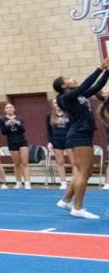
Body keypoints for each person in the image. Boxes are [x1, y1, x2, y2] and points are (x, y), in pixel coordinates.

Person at [54, 59, 109, 218]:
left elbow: (96, 87)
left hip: (82, 134)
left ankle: (65, 201)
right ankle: (77, 208)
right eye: (69, 79)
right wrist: (100, 68)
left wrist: (107, 71)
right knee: (85, 172)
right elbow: (85, 85)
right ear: (64, 86)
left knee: (81, 172)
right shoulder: (66, 97)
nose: (73, 79)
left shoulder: (79, 95)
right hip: (79, 135)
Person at [0, 103, 30, 189]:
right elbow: (3, 132)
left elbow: (23, 130)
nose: (9, 109)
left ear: (14, 109)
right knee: (17, 163)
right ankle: (18, 182)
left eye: (11, 107)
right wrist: (9, 123)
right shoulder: (2, 120)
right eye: (7, 107)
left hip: (22, 141)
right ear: (5, 110)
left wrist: (16, 123)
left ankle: (27, 182)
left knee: (25, 162)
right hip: (12, 142)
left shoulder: (19, 118)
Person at [47, 98, 71, 189]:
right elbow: (48, 130)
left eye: (58, 102)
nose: (56, 104)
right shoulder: (49, 115)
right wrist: (49, 141)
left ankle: (75, 180)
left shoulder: (68, 113)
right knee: (60, 162)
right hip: (56, 140)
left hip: (68, 139)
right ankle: (63, 182)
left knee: (73, 161)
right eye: (54, 103)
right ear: (53, 105)